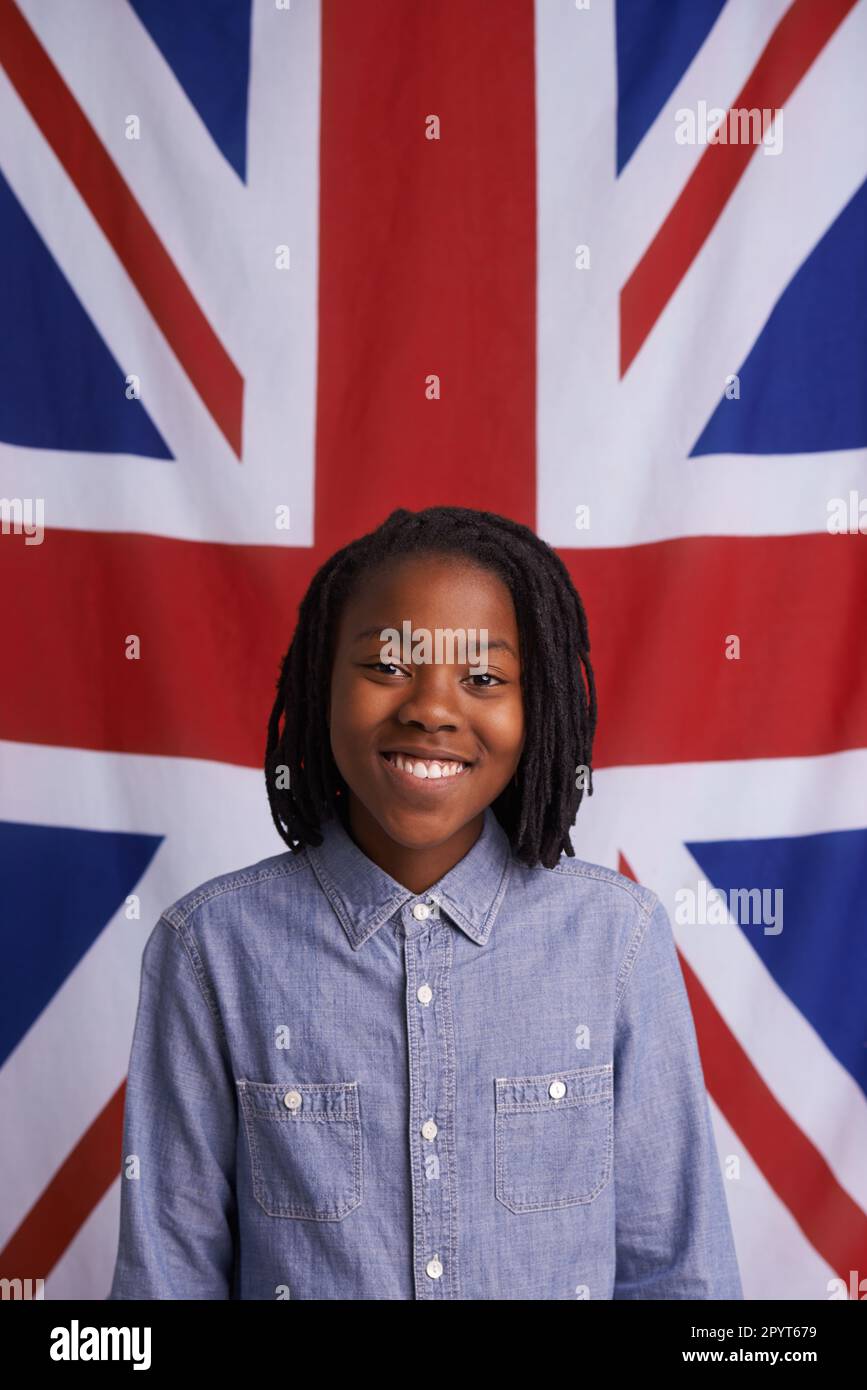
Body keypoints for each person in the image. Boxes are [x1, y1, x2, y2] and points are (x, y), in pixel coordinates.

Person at [108, 505, 743, 1300]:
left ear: (535, 704)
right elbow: (167, 1281)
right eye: (387, 666)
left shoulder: (617, 940)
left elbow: (681, 1273)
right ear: (319, 683)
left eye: (482, 678)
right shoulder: (209, 948)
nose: (432, 709)